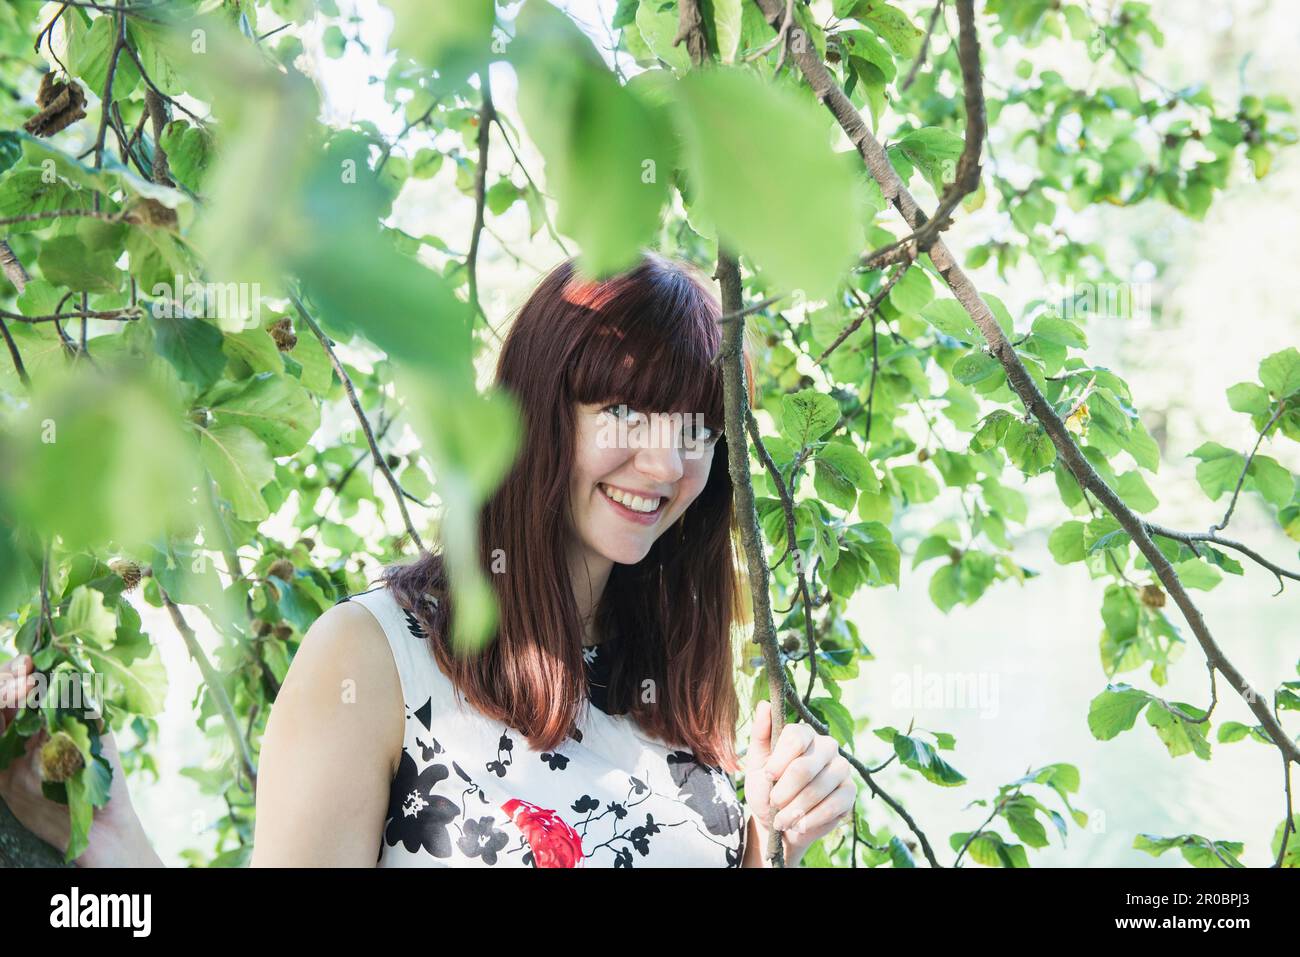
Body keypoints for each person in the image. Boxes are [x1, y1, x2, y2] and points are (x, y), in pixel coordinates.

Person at [0, 252, 854, 867]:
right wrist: (113, 852)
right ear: (539, 408)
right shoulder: (377, 658)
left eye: (698, 429)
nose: (668, 465)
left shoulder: (682, 698)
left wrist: (777, 832)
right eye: (627, 410)